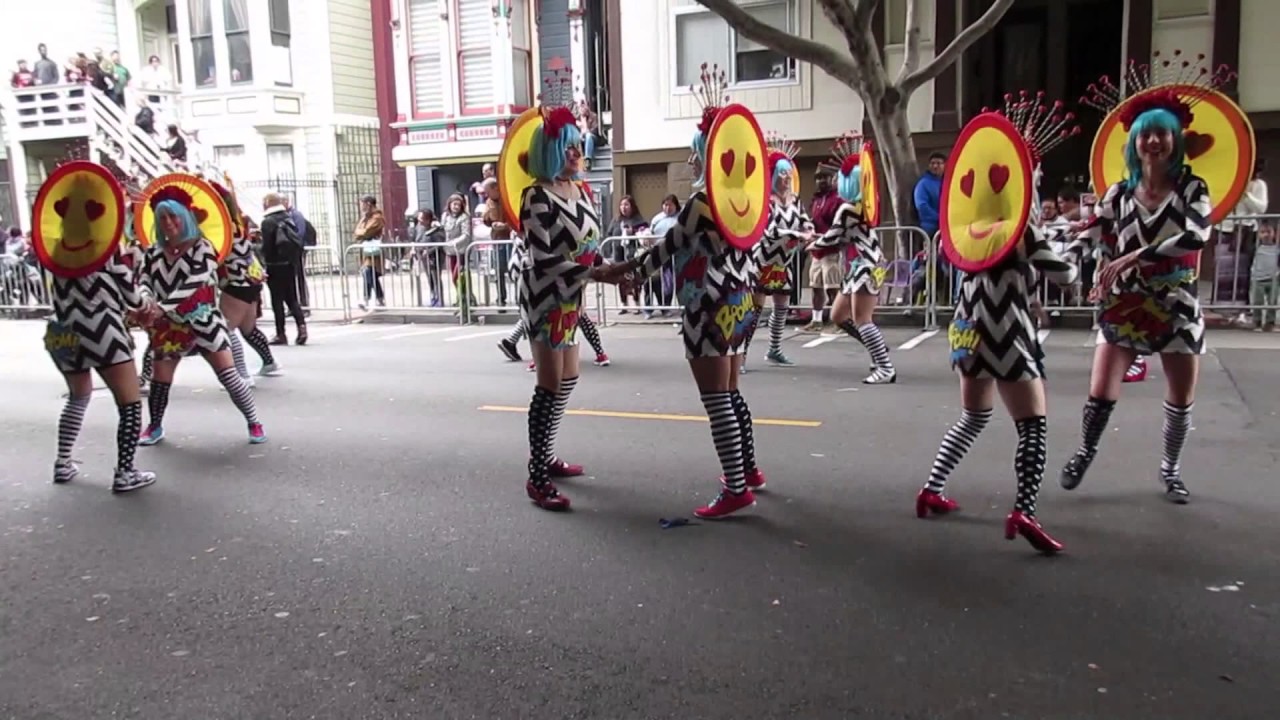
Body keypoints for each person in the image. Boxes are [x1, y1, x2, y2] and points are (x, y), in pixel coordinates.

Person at [1061, 65, 1242, 504]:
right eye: (1145, 134)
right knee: (1100, 392)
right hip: (1124, 303)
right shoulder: (1118, 193)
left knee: (1180, 399)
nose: (1153, 141)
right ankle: (1084, 453)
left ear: (1175, 140)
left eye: (1162, 133)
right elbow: (1091, 231)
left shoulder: (1192, 188)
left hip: (1177, 304)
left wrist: (1134, 255)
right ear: (1133, 143)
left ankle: (1171, 470)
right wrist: (1059, 259)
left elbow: (1198, 235)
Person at [916, 93, 1080, 553]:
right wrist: (1067, 248)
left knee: (973, 416)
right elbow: (1065, 276)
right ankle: (1024, 511)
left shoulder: (961, 228)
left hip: (967, 331)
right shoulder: (1020, 229)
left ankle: (931, 489)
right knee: (1033, 425)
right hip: (1007, 334)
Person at [606, 63, 766, 519]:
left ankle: (736, 487)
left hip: (706, 307)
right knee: (731, 392)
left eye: (696, 153)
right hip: (738, 304)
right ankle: (748, 470)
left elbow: (666, 249)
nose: (693, 161)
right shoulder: (748, 202)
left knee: (716, 399)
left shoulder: (701, 203)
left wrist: (627, 272)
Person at [514, 82, 624, 511]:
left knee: (569, 377)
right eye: (568, 146)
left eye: (578, 145)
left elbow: (589, 244)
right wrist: (594, 272)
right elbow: (542, 258)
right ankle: (537, 477)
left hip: (572, 294)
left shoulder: (580, 190)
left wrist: (608, 267)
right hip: (545, 296)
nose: (577, 152)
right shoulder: (536, 195)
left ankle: (546, 455)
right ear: (550, 151)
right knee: (549, 384)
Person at [36, 163, 159, 492]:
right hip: (102, 331)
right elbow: (133, 297)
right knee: (130, 404)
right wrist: (146, 302)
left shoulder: (55, 250)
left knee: (78, 397)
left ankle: (63, 462)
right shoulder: (103, 250)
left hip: (62, 331)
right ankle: (125, 472)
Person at [135, 185, 267, 446]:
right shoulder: (152, 252)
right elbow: (145, 280)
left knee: (229, 375)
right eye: (162, 217)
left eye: (173, 216)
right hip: (168, 327)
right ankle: (155, 426)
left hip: (204, 321)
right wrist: (146, 298)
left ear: (185, 217)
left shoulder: (203, 247)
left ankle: (254, 421)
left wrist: (163, 306)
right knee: (160, 380)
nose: (168, 222)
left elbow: (194, 282)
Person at [805, 133, 896, 384]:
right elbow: (841, 234)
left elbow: (834, 235)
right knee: (838, 316)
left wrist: (811, 243)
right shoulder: (864, 205)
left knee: (862, 319)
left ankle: (885, 366)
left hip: (866, 265)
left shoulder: (848, 208)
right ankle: (878, 352)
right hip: (862, 265)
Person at [745, 133, 812, 368]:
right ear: (773, 175)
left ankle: (774, 349)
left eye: (788, 172)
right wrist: (797, 235)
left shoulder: (795, 200)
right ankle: (741, 354)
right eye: (782, 173)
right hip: (763, 260)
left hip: (783, 263)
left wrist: (809, 230)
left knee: (782, 308)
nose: (787, 177)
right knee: (754, 311)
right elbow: (769, 231)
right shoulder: (766, 202)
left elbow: (805, 220)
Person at [260, 193, 307, 345]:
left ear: (268, 203)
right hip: (289, 264)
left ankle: (281, 334)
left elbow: (267, 248)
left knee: (277, 301)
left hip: (274, 266)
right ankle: (302, 328)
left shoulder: (267, 222)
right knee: (292, 298)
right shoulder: (288, 217)